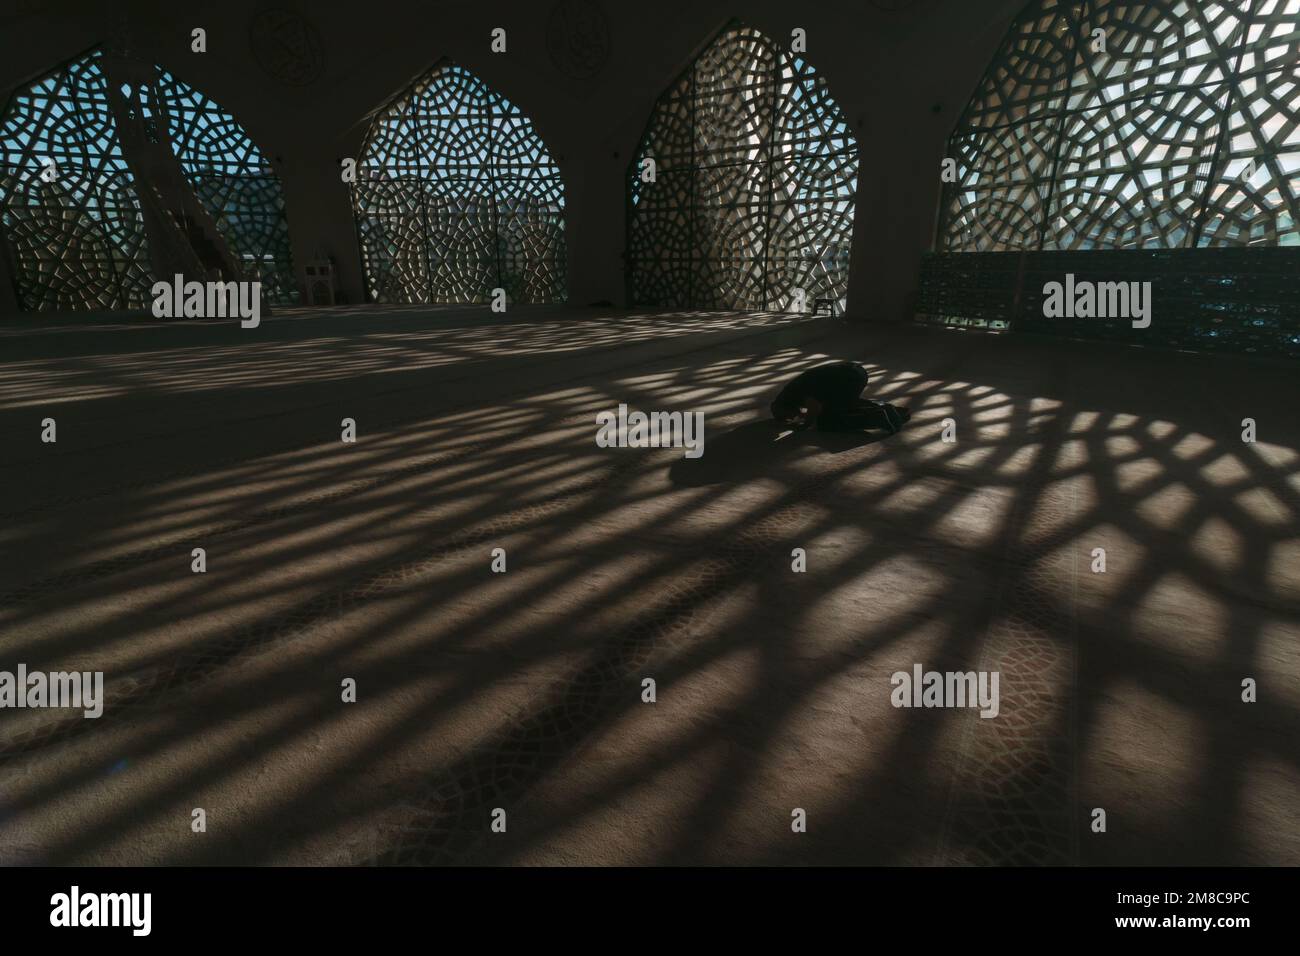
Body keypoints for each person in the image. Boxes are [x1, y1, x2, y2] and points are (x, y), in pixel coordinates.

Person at [769, 361, 910, 434]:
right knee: (844, 405)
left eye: (786, 417)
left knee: (827, 422)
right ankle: (891, 410)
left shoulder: (794, 394)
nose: (790, 419)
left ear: (784, 408)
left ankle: (879, 417)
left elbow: (815, 407)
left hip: (847, 379)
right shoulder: (791, 391)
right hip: (854, 372)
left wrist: (805, 425)